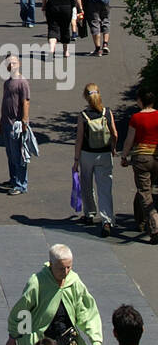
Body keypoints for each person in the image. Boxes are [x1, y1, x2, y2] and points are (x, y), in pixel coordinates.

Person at [6, 244, 104, 345]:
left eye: (69, 267)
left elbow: (86, 312)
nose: (66, 272)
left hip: (63, 339)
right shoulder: (37, 283)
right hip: (41, 342)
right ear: (51, 264)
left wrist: (96, 340)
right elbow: (22, 311)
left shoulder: (74, 282)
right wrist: (14, 337)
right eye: (61, 268)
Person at [73, 84, 117, 236]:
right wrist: (113, 147)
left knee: (87, 184)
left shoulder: (83, 115)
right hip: (104, 154)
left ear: (86, 97)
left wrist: (76, 160)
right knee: (105, 188)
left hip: (87, 154)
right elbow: (115, 134)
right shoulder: (107, 112)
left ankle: (89, 213)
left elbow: (79, 140)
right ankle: (106, 220)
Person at [119, 88, 158, 243]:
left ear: (140, 101)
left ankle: (154, 223)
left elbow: (129, 139)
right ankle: (140, 222)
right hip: (156, 157)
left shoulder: (136, 118)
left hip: (141, 158)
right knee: (144, 190)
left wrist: (124, 156)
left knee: (144, 191)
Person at [0, 55, 30, 195]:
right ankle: (13, 179)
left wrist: (24, 120)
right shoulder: (7, 83)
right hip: (6, 123)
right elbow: (5, 102)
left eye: (14, 62)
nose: (11, 65)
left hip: (16, 124)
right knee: (10, 154)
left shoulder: (22, 82)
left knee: (19, 155)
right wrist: (1, 121)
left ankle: (20, 185)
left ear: (19, 64)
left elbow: (26, 102)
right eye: (9, 63)